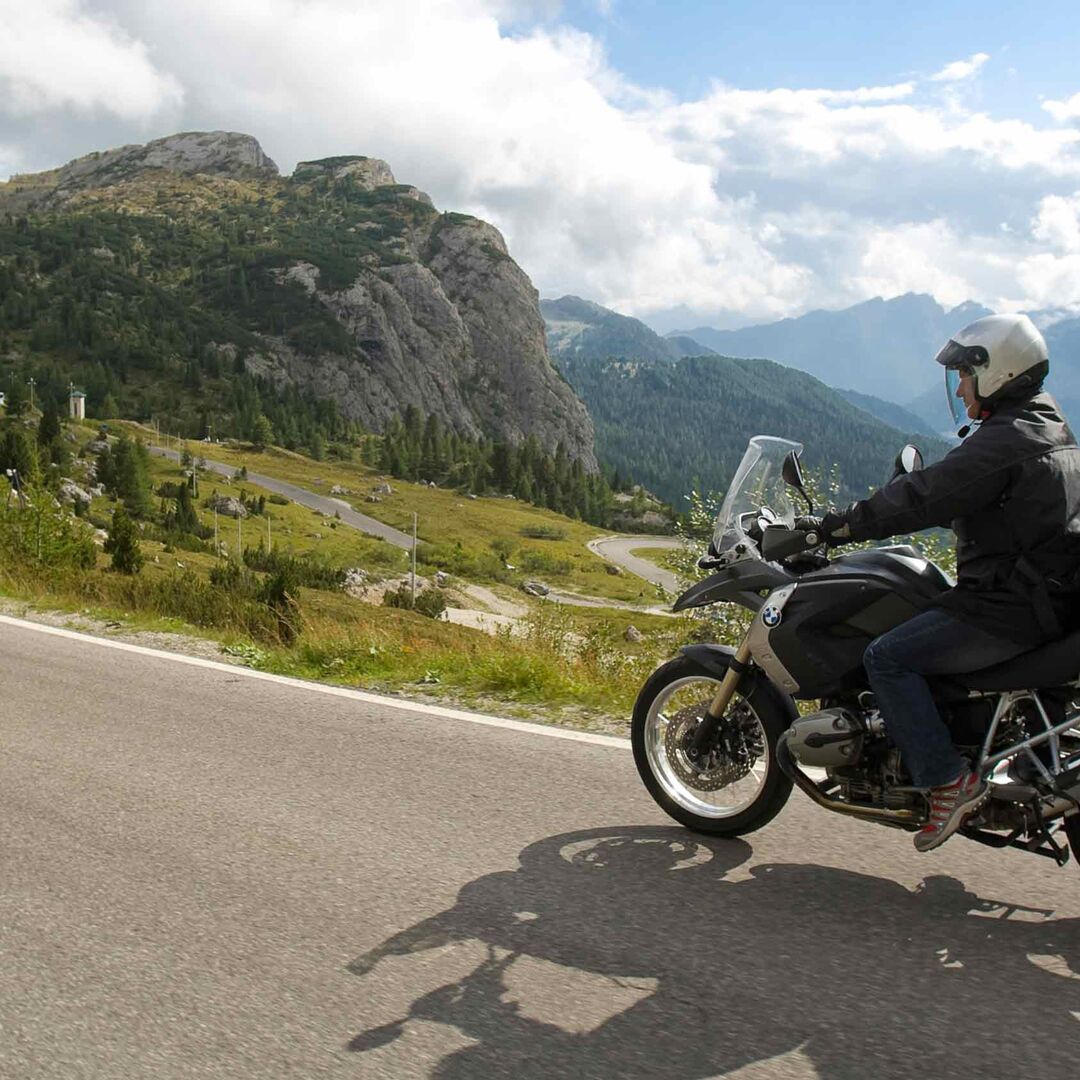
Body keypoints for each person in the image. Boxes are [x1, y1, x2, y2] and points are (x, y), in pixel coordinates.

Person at [813, 313, 1080, 851]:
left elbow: (926, 495)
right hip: (1057, 599)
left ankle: (946, 780)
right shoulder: (1051, 423)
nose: (958, 388)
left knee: (888, 657)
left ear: (997, 371)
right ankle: (1021, 765)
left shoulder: (1002, 442)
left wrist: (842, 524)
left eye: (964, 374)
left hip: (1010, 607)